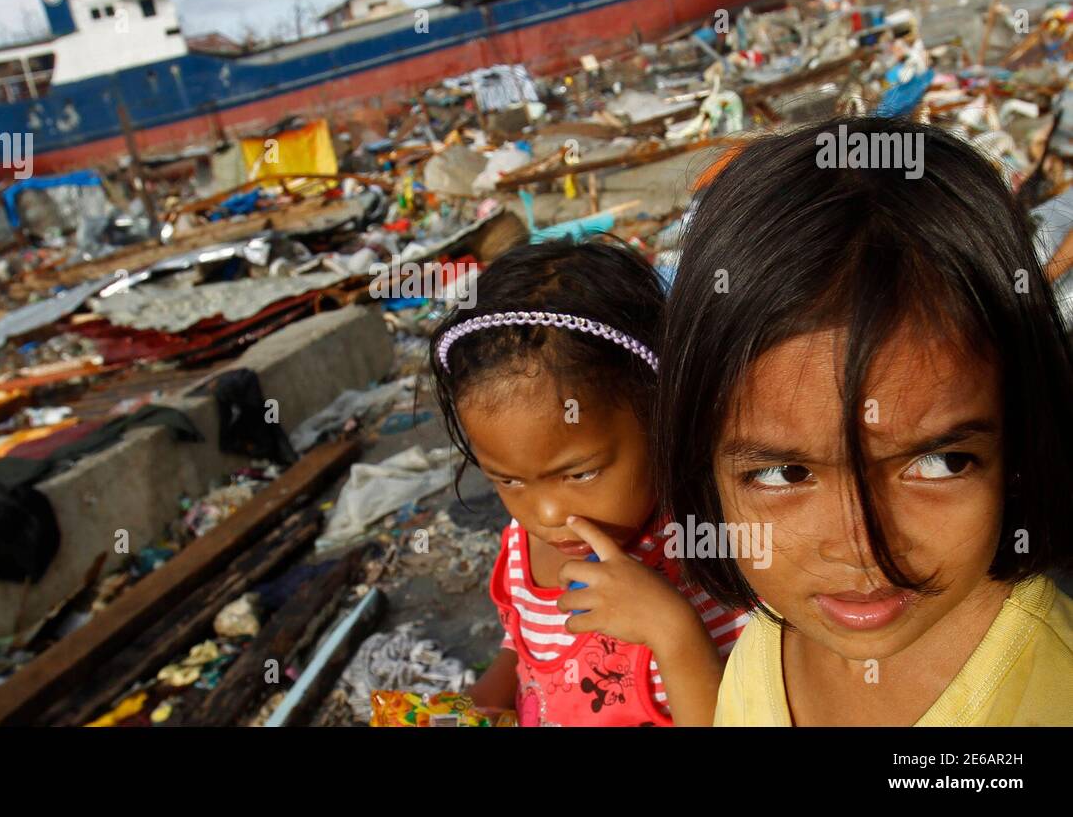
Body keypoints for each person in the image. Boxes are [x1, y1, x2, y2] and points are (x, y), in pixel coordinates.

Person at [657, 117, 1073, 726]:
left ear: (1018, 441)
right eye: (784, 473)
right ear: (703, 468)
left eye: (939, 461)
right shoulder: (771, 633)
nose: (861, 548)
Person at [430, 237, 745, 726]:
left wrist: (673, 632)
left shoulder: (709, 559)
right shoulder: (520, 547)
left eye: (580, 473)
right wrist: (478, 704)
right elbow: (523, 651)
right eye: (508, 480)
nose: (548, 515)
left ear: (661, 416)